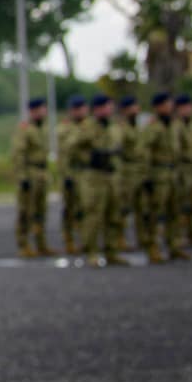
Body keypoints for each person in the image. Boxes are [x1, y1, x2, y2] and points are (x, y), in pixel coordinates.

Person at [71, 96, 126, 266]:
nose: (108, 110)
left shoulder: (114, 127)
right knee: (93, 214)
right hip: (93, 176)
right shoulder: (87, 127)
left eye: (109, 107)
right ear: (96, 109)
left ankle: (112, 251)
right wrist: (87, 157)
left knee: (114, 214)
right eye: (104, 107)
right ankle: (91, 251)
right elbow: (72, 146)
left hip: (110, 175)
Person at [140, 92, 182, 262]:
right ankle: (153, 248)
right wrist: (147, 176)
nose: (170, 105)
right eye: (167, 103)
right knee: (155, 213)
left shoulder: (174, 124)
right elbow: (144, 152)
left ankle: (174, 246)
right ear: (158, 107)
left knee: (174, 212)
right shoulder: (153, 127)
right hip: (158, 174)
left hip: (172, 174)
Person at [10, 97, 52, 258]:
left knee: (41, 211)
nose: (44, 111)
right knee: (26, 211)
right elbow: (17, 154)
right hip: (30, 173)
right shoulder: (25, 129)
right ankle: (23, 244)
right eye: (42, 108)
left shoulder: (44, 128)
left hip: (42, 173)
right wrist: (22, 177)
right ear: (33, 111)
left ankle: (41, 244)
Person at [112, 95, 144, 256]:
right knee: (123, 208)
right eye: (133, 106)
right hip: (125, 173)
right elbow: (116, 150)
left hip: (139, 171)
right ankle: (119, 238)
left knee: (142, 207)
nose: (137, 109)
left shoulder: (138, 127)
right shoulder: (120, 128)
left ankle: (143, 238)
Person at [57, 96, 88, 255]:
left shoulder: (90, 126)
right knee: (69, 209)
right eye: (77, 109)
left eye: (82, 108)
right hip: (71, 173)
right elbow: (64, 154)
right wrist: (66, 175)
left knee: (85, 208)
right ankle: (68, 240)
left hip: (87, 174)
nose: (80, 111)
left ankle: (85, 239)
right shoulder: (65, 128)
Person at [173, 95, 192, 257]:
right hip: (180, 171)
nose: (188, 109)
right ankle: (178, 240)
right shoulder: (174, 126)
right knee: (179, 207)